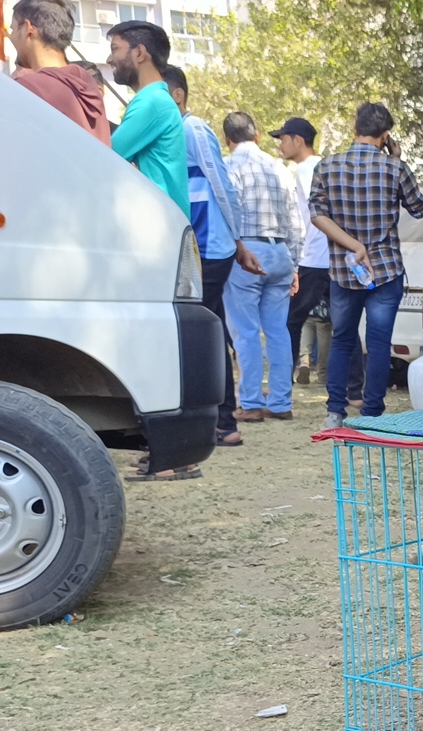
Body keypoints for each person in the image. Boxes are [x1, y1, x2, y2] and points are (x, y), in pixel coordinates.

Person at [309, 101, 423, 429]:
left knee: (343, 339)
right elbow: (419, 209)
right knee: (378, 344)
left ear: (354, 129)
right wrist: (397, 160)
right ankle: (372, 414)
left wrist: (352, 245)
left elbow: (317, 214)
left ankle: (335, 412)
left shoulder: (327, 167)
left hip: (344, 270)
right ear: (385, 136)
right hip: (386, 270)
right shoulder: (394, 168)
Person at [163, 65, 261, 449]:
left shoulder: (193, 129)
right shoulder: (172, 131)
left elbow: (222, 185)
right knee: (211, 330)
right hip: (199, 245)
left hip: (208, 247)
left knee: (202, 334)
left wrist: (237, 241)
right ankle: (222, 422)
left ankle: (216, 422)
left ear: (177, 96)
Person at [221, 111, 303, 424]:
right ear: (256, 136)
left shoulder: (229, 167)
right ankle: (281, 401)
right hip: (280, 250)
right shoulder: (280, 168)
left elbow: (228, 213)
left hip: (246, 253)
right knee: (278, 330)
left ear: (229, 141)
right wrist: (294, 263)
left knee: (246, 332)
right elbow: (296, 221)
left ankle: (252, 402)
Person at [272, 116, 332, 386]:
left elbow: (316, 214)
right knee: (342, 323)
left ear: (298, 140)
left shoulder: (308, 170)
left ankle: (283, 383)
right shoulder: (323, 166)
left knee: (292, 321)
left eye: (283, 139)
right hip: (330, 257)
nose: (280, 145)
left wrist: (298, 258)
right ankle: (354, 386)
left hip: (313, 257)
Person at [106, 20, 188, 218]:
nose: (109, 59)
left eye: (115, 49)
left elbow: (106, 156)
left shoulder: (152, 102)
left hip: (162, 226)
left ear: (140, 53)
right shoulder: (155, 99)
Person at [8, 0, 111, 145]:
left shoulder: (28, 87)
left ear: (27, 28)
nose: (11, 37)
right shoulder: (87, 81)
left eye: (12, 30)